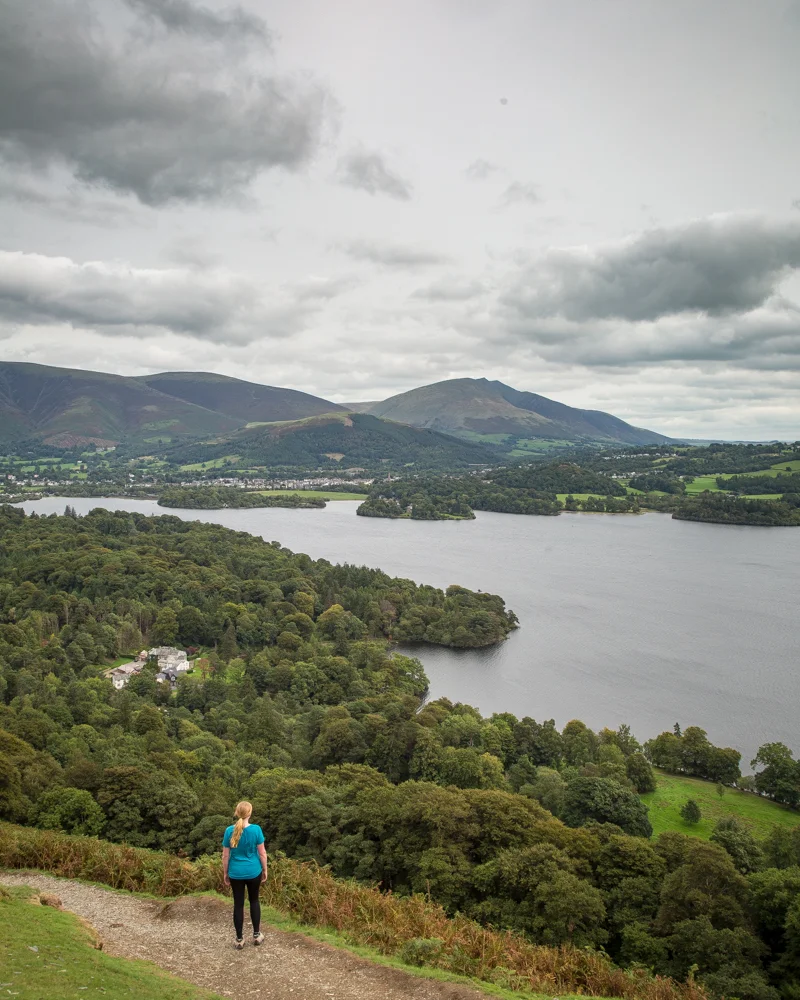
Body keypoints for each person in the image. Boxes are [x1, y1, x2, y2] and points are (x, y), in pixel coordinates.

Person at [222, 800, 268, 950]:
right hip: (253, 871)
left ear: (237, 812)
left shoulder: (229, 831)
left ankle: (239, 939)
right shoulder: (256, 830)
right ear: (250, 813)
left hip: (235, 873)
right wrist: (265, 870)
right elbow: (262, 853)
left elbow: (225, 856)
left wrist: (225, 873)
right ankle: (256, 935)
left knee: (238, 904)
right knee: (254, 901)